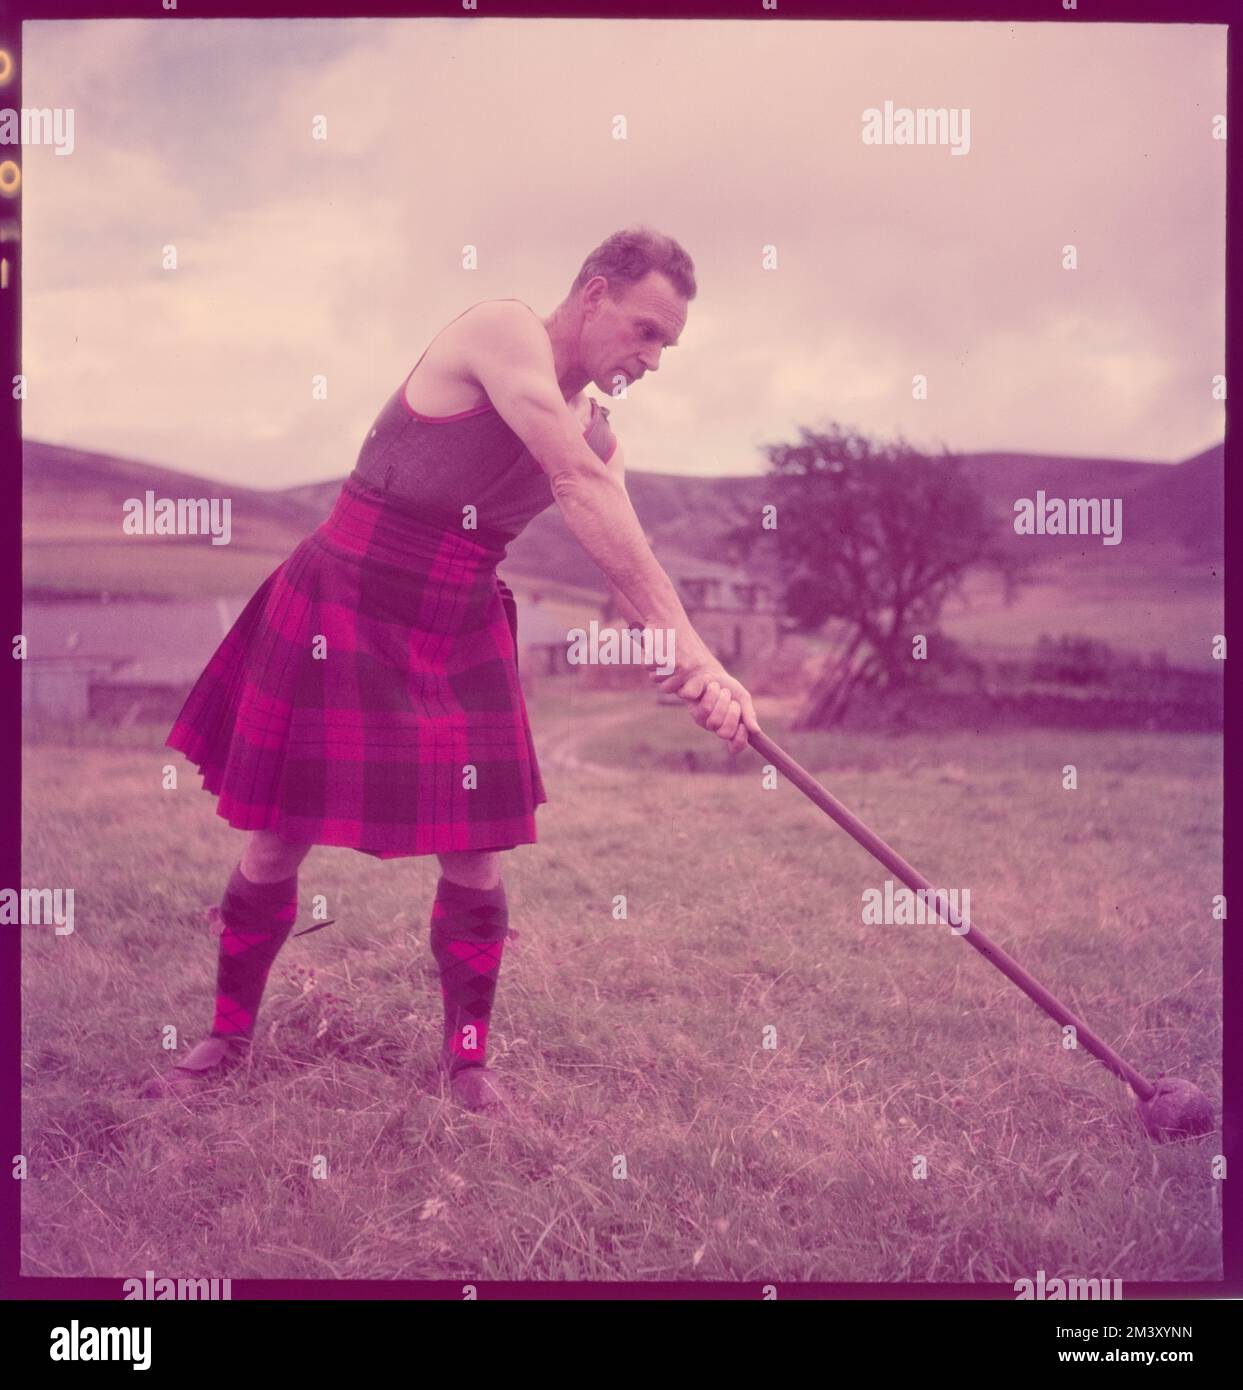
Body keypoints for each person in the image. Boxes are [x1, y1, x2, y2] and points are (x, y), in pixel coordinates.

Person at [140, 225, 760, 1113]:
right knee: (279, 830)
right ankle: (224, 1040)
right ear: (591, 294)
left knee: (475, 849)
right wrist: (691, 646)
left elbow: (626, 548)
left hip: (459, 619)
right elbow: (572, 485)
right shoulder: (500, 331)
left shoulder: (600, 436)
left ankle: (467, 1062)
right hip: (344, 596)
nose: (653, 358)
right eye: (645, 330)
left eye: (667, 344)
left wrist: (697, 667)